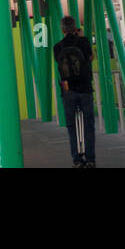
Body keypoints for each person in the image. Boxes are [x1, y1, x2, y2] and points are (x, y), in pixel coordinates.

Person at [53, 15, 96, 168]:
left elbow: (60, 66)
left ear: (62, 29)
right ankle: (90, 159)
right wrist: (82, 37)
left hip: (68, 90)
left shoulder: (57, 47)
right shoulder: (83, 42)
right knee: (89, 124)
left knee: (71, 126)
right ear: (74, 27)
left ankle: (76, 160)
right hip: (85, 88)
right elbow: (90, 58)